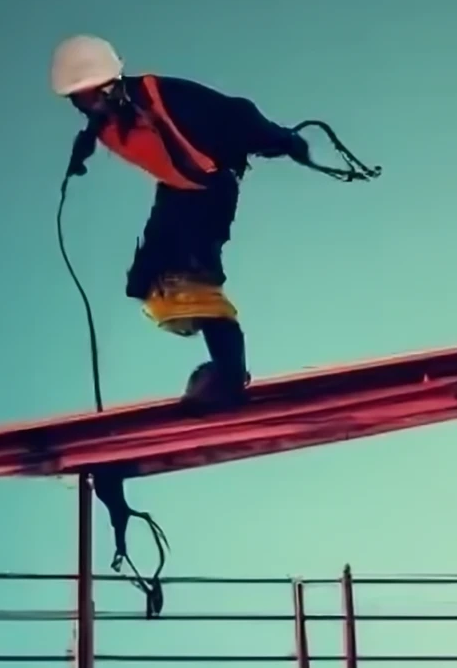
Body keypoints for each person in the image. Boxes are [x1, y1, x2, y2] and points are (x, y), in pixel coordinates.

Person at [51, 34, 381, 410]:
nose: (86, 107)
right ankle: (213, 355)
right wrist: (80, 158)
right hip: (176, 191)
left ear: (112, 85)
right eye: (77, 100)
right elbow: (93, 133)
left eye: (91, 96)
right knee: (147, 280)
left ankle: (229, 375)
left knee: (193, 278)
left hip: (211, 188)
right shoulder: (102, 122)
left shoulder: (165, 97)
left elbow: (236, 114)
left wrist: (285, 141)